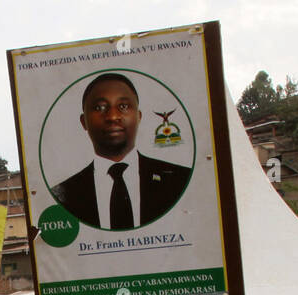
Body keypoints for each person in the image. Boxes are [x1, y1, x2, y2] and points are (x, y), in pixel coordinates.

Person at [50, 73, 192, 230]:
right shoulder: (62, 195)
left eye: (123, 106)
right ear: (84, 122)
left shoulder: (181, 181)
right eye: (99, 107)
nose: (112, 116)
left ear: (138, 117)